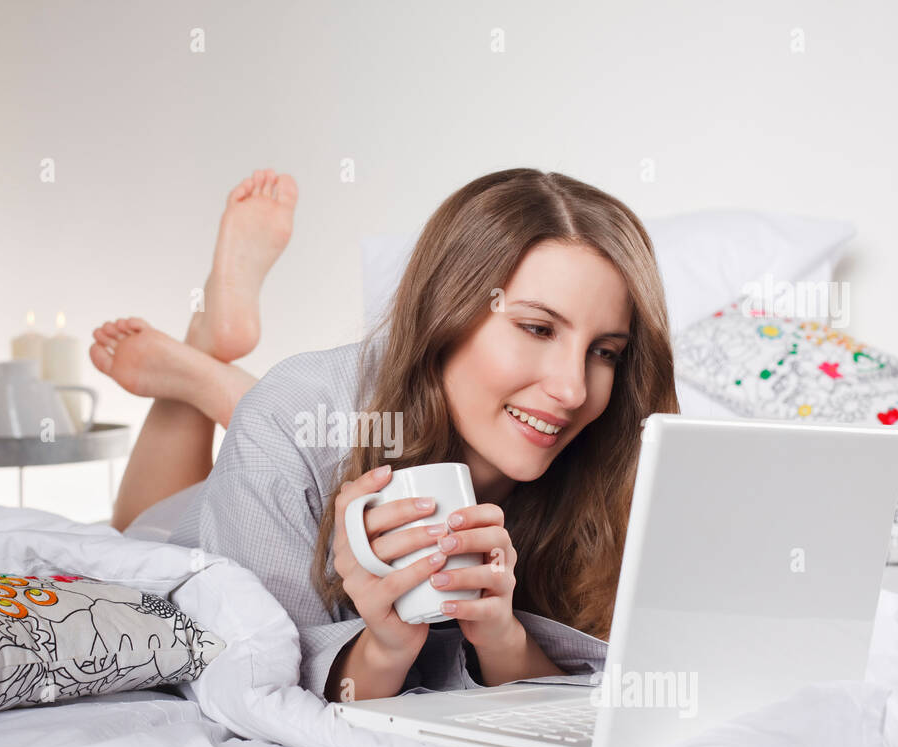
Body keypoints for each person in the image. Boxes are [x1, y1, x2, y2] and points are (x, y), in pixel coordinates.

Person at [88, 167, 679, 703]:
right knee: (135, 529)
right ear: (446, 311)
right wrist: (384, 646)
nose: (573, 390)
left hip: (306, 423)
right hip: (186, 526)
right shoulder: (295, 412)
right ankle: (200, 356)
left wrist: (500, 636)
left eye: (604, 352)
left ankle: (204, 363)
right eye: (536, 327)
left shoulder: (618, 463)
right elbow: (259, 679)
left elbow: (581, 694)